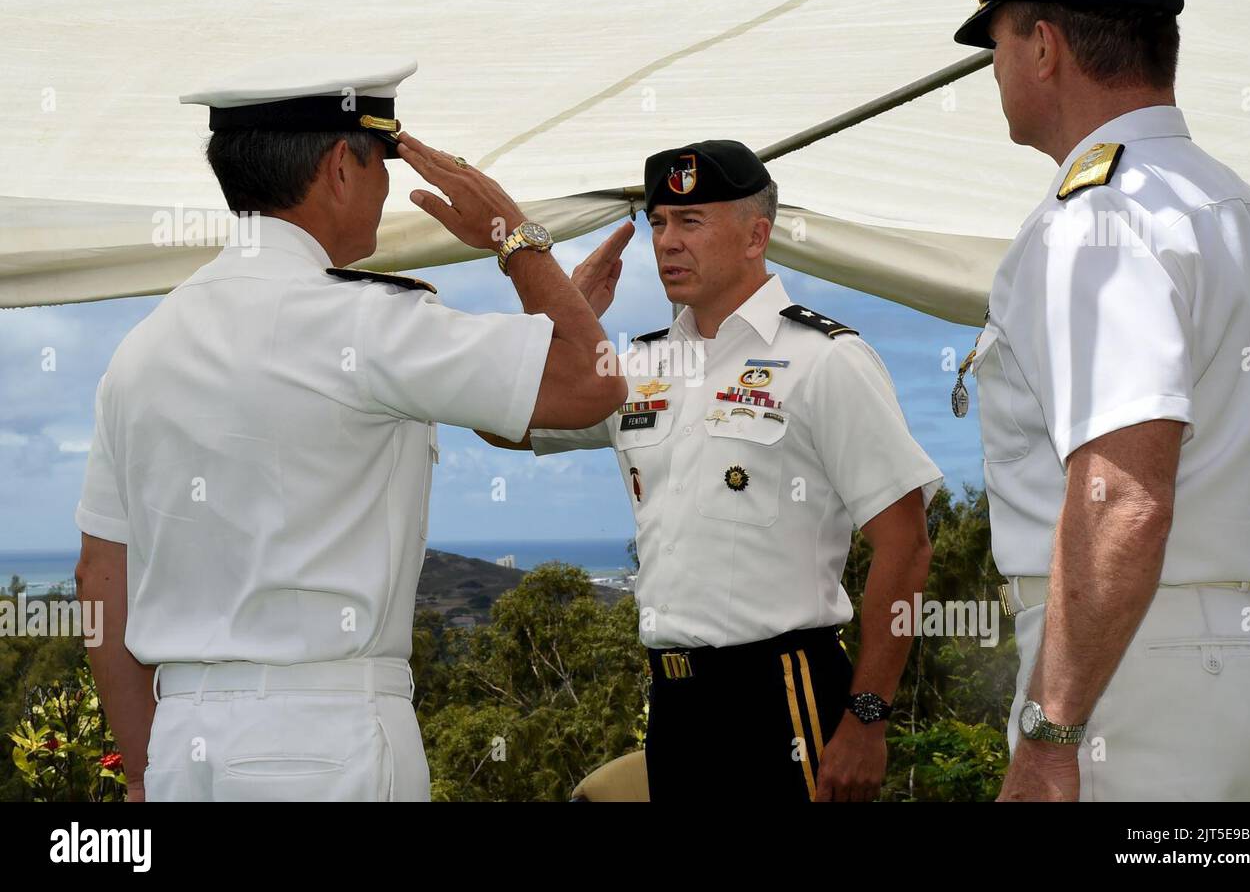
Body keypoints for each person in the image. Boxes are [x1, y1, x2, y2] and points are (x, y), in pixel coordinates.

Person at [73, 56, 626, 801]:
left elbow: (98, 583)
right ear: (340, 166)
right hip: (325, 742)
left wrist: (144, 772)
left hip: (182, 747)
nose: (388, 186)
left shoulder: (141, 350)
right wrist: (511, 231)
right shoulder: (367, 321)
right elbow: (593, 382)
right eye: (383, 162)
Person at [479, 140, 942, 801]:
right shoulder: (634, 366)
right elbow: (500, 425)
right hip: (674, 702)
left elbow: (907, 545)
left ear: (757, 235)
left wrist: (867, 717)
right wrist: (553, 322)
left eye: (691, 222)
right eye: (659, 222)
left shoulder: (827, 360)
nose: (667, 241)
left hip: (785, 694)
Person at [953, 0, 1250, 800]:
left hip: (1140, 679)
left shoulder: (1095, 219)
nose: (991, 70)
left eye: (995, 42)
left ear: (1043, 47)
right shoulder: (1244, 208)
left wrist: (1050, 732)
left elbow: (1124, 499)